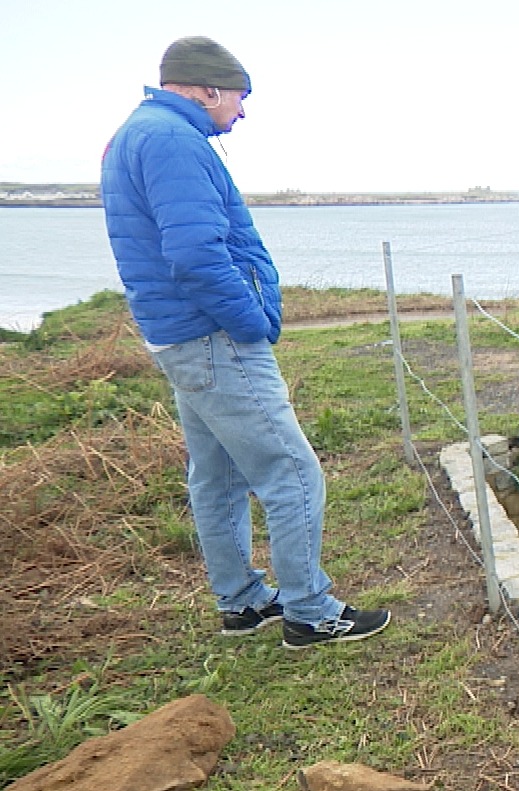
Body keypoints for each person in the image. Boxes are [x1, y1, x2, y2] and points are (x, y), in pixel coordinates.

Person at [101, 36, 390, 650]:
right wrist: (252, 320)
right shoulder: (174, 141)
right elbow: (196, 254)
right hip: (213, 337)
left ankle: (242, 602)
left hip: (179, 336)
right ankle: (310, 612)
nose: (241, 111)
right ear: (206, 88)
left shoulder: (139, 133)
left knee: (220, 475)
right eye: (238, 96)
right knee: (293, 472)